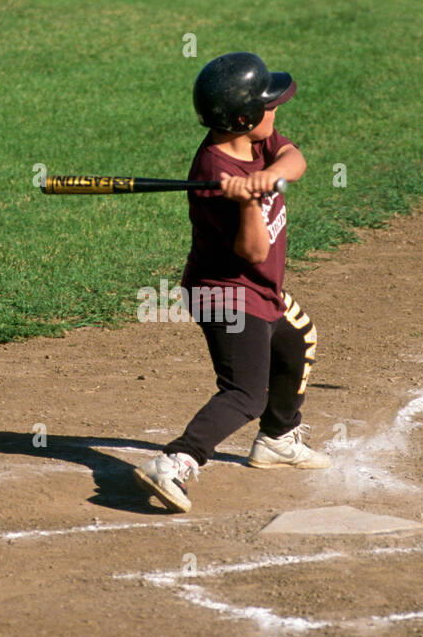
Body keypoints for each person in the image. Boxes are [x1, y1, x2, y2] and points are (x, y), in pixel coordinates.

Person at [133, 52, 330, 513]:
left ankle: (278, 438)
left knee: (297, 338)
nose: (277, 109)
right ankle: (178, 459)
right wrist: (245, 202)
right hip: (227, 295)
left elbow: (293, 158)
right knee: (244, 392)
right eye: (269, 103)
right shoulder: (215, 173)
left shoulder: (255, 144)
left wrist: (267, 178)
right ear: (244, 117)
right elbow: (254, 251)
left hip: (258, 289)